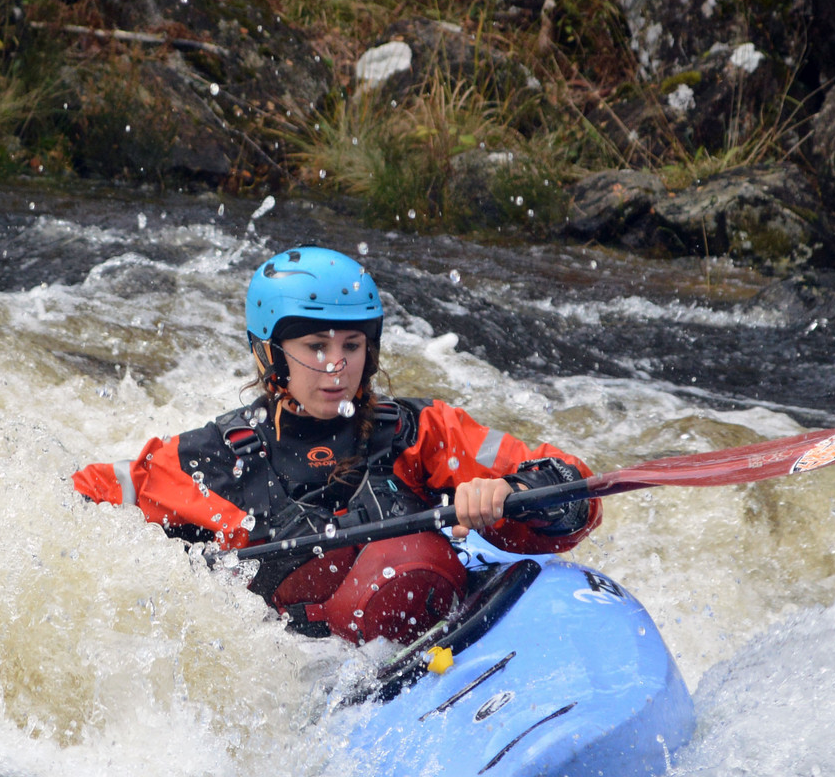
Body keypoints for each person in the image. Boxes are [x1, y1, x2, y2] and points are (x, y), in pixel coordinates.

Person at [72, 247, 599, 641]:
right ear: (269, 354)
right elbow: (78, 499)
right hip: (306, 684)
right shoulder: (210, 461)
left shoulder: (418, 433)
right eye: (314, 347)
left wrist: (515, 488)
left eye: (352, 345)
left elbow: (567, 481)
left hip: (441, 652)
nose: (337, 367)